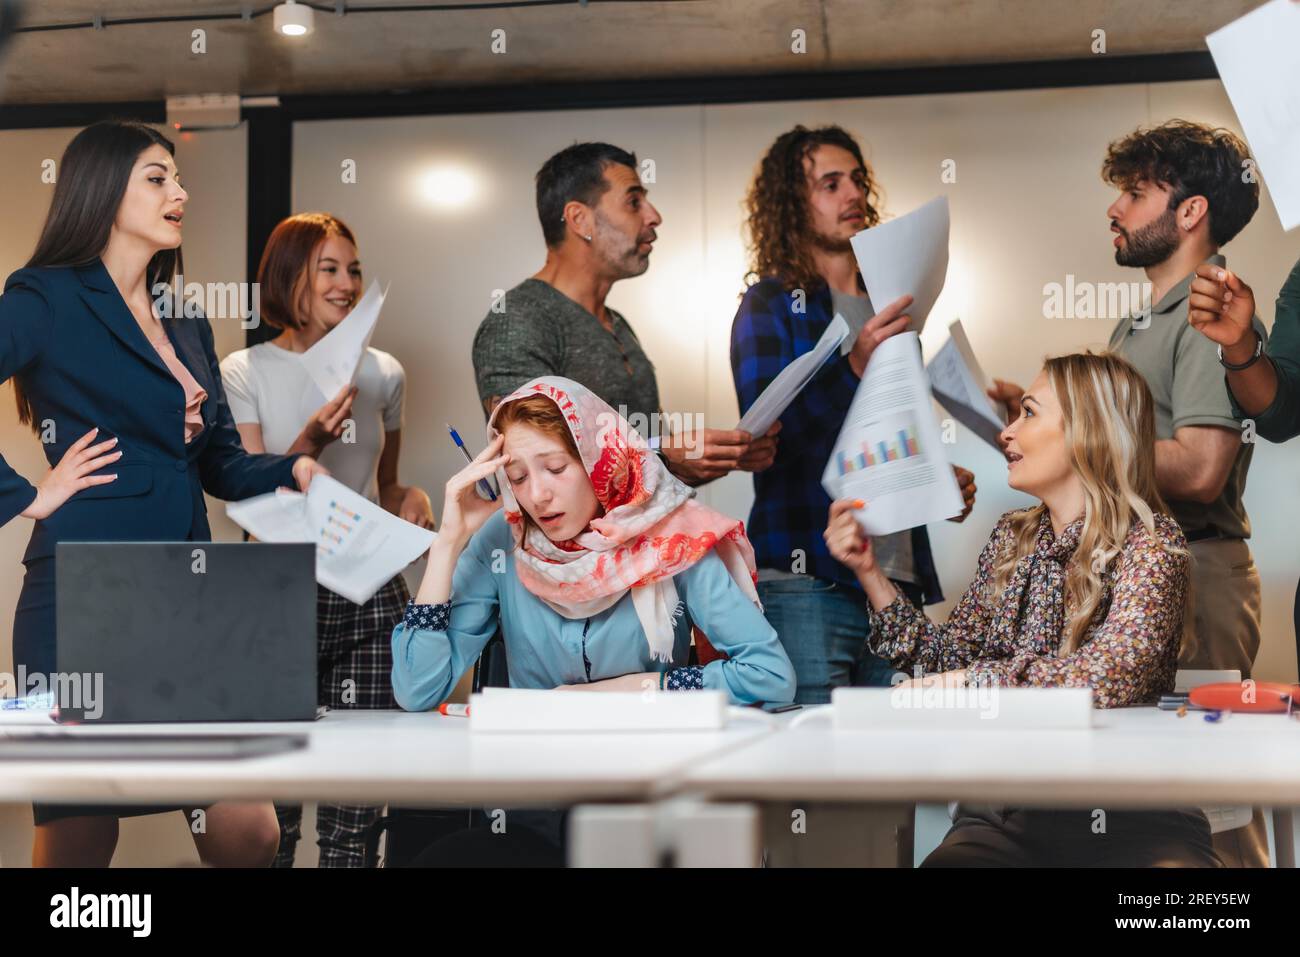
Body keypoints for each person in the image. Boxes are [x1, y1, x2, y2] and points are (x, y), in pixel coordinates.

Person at [0, 121, 325, 867]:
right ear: (101, 190)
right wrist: (25, 495)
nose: (179, 192)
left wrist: (294, 469)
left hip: (188, 595)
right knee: (81, 836)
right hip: (83, 593)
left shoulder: (184, 318)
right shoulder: (45, 296)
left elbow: (219, 464)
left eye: (177, 178)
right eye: (157, 178)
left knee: (249, 831)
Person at [987, 120, 1269, 867]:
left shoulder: (1210, 312)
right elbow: (1120, 454)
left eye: (1136, 193)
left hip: (1199, 577)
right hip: (1141, 578)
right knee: (1155, 811)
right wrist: (1045, 425)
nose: (1115, 209)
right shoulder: (1138, 322)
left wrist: (1079, 440)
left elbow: (1202, 466)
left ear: (1190, 211)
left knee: (1214, 813)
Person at [827, 352, 1220, 867]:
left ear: (1088, 431)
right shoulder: (1012, 537)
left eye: (1028, 413)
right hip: (1007, 818)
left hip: (1135, 814)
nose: (1006, 432)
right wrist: (869, 571)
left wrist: (974, 682)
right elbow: (946, 660)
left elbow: (1110, 676)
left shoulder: (1151, 542)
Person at [392, 375, 795, 865]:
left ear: (599, 458)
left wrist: (632, 689)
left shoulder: (673, 537)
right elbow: (417, 688)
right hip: (535, 811)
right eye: (516, 477)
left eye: (555, 467)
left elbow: (770, 675)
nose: (537, 495)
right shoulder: (505, 539)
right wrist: (447, 545)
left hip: (643, 810)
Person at [731, 124, 976, 704]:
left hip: (898, 582)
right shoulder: (770, 304)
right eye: (830, 183)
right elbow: (768, 440)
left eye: (858, 180)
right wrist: (855, 364)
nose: (854, 194)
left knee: (904, 755)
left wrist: (933, 483)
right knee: (808, 752)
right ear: (792, 203)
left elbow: (885, 436)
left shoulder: (892, 303)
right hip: (807, 579)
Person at [221, 212, 434, 868]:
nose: (347, 284)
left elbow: (387, 484)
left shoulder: (384, 373)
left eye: (354, 270)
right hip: (278, 595)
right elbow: (250, 497)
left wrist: (414, 500)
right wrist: (310, 439)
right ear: (290, 278)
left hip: (369, 594)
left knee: (355, 819)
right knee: (276, 821)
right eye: (329, 269)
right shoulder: (245, 369)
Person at [472, 141, 779, 486]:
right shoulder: (517, 321)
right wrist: (667, 457)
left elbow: (652, 479)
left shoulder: (618, 325)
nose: (654, 216)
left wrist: (720, 456)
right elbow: (537, 469)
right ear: (580, 219)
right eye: (634, 202)